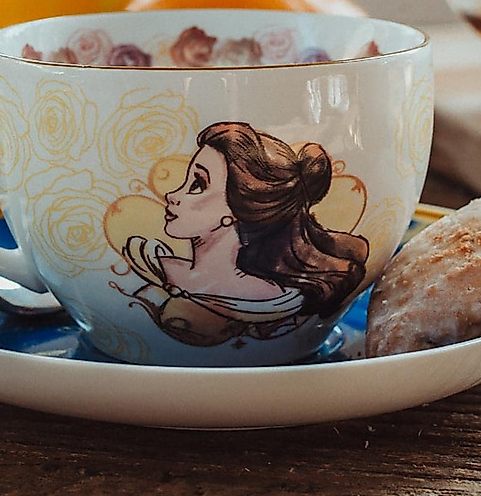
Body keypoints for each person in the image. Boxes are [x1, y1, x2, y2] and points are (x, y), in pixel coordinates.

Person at [119, 121, 369, 347]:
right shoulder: (152, 259)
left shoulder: (271, 301)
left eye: (197, 185)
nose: (172, 195)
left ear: (239, 210)